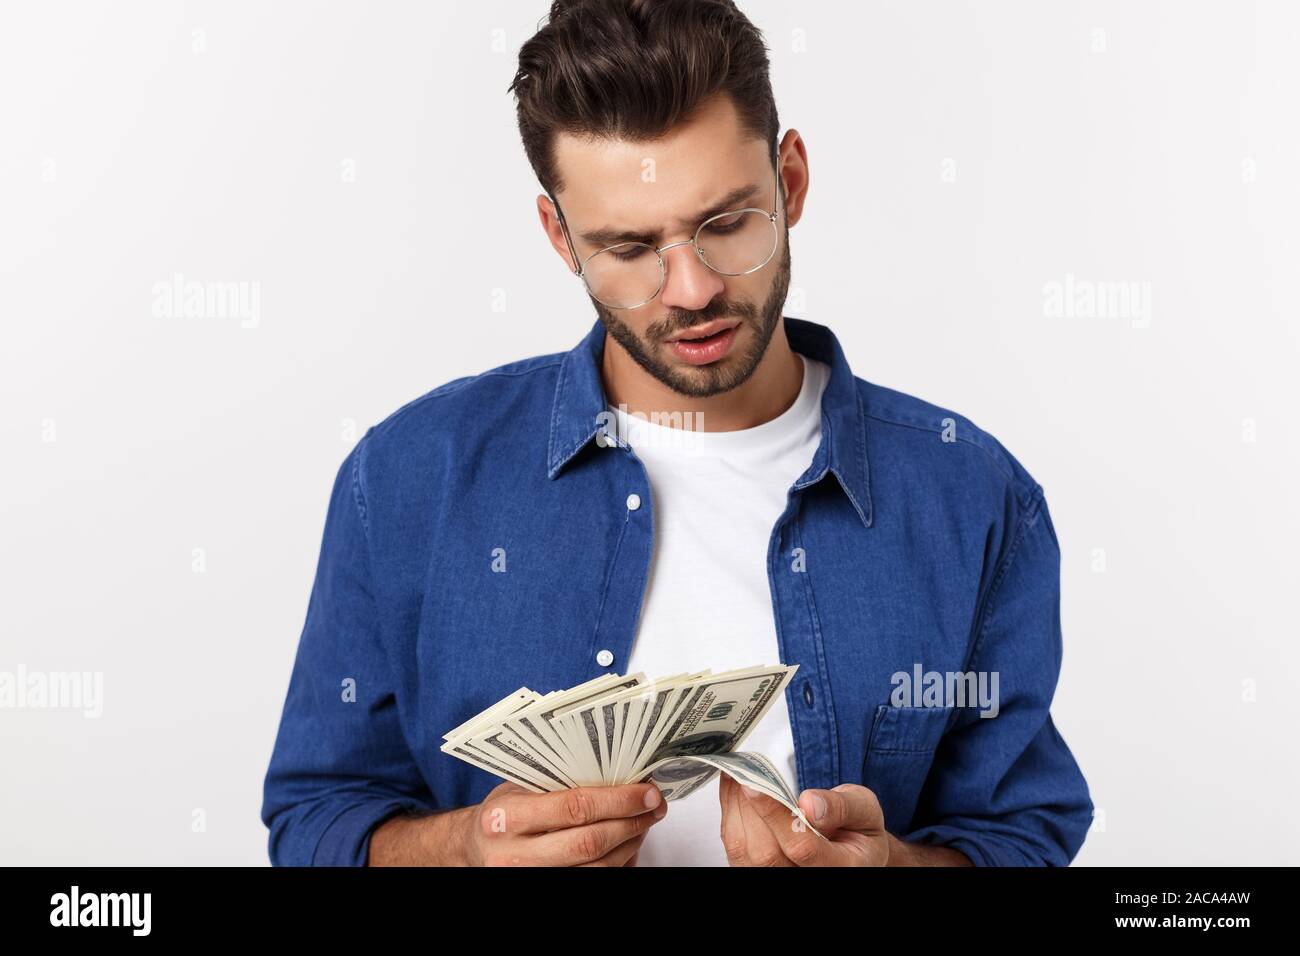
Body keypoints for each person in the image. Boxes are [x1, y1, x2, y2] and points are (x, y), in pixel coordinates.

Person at [261, 0, 1093, 867]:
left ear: (792, 181)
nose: (690, 288)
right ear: (560, 238)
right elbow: (316, 819)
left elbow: (1018, 837)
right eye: (628, 246)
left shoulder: (973, 496)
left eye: (727, 223)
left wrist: (890, 867)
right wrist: (469, 849)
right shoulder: (405, 480)